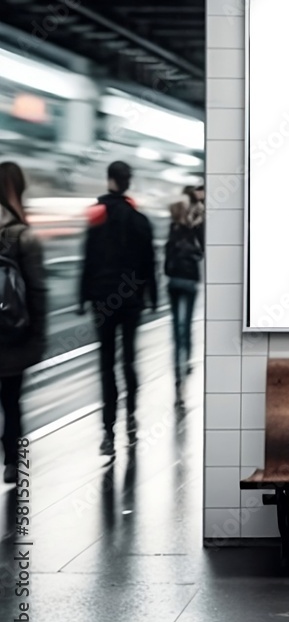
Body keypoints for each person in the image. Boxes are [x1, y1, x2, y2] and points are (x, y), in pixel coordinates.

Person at [79, 160, 157, 457]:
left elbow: (88, 258)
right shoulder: (140, 220)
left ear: (109, 179)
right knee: (129, 362)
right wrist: (151, 296)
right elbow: (149, 263)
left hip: (103, 300)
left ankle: (108, 433)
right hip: (131, 301)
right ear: (127, 182)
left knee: (107, 365)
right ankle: (132, 418)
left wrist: (82, 295)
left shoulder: (97, 216)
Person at [0, 162, 47, 485]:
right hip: (12, 334)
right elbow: (37, 290)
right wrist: (37, 336)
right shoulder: (22, 235)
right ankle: (13, 463)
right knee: (11, 400)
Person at [165, 187, 203, 406]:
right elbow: (199, 252)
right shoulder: (192, 229)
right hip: (187, 282)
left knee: (177, 328)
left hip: (175, 282)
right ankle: (184, 361)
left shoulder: (174, 230)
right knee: (184, 326)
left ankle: (179, 367)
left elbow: (168, 258)